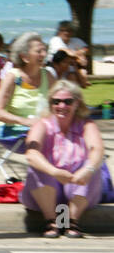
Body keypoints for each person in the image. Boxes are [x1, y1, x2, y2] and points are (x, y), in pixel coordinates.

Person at [21, 80, 106, 238]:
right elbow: (31, 154)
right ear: (50, 103)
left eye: (68, 101)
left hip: (78, 191)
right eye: (56, 101)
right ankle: (52, 221)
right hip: (44, 194)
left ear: (76, 103)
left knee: (93, 166)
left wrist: (88, 170)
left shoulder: (86, 125)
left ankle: (72, 221)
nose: (62, 106)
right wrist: (54, 172)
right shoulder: (42, 125)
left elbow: (97, 149)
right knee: (37, 166)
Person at [0, 32, 52, 136]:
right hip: (12, 129)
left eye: (44, 50)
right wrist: (24, 121)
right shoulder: (13, 77)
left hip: (41, 129)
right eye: (39, 51)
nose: (44, 54)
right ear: (24, 57)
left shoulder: (48, 76)